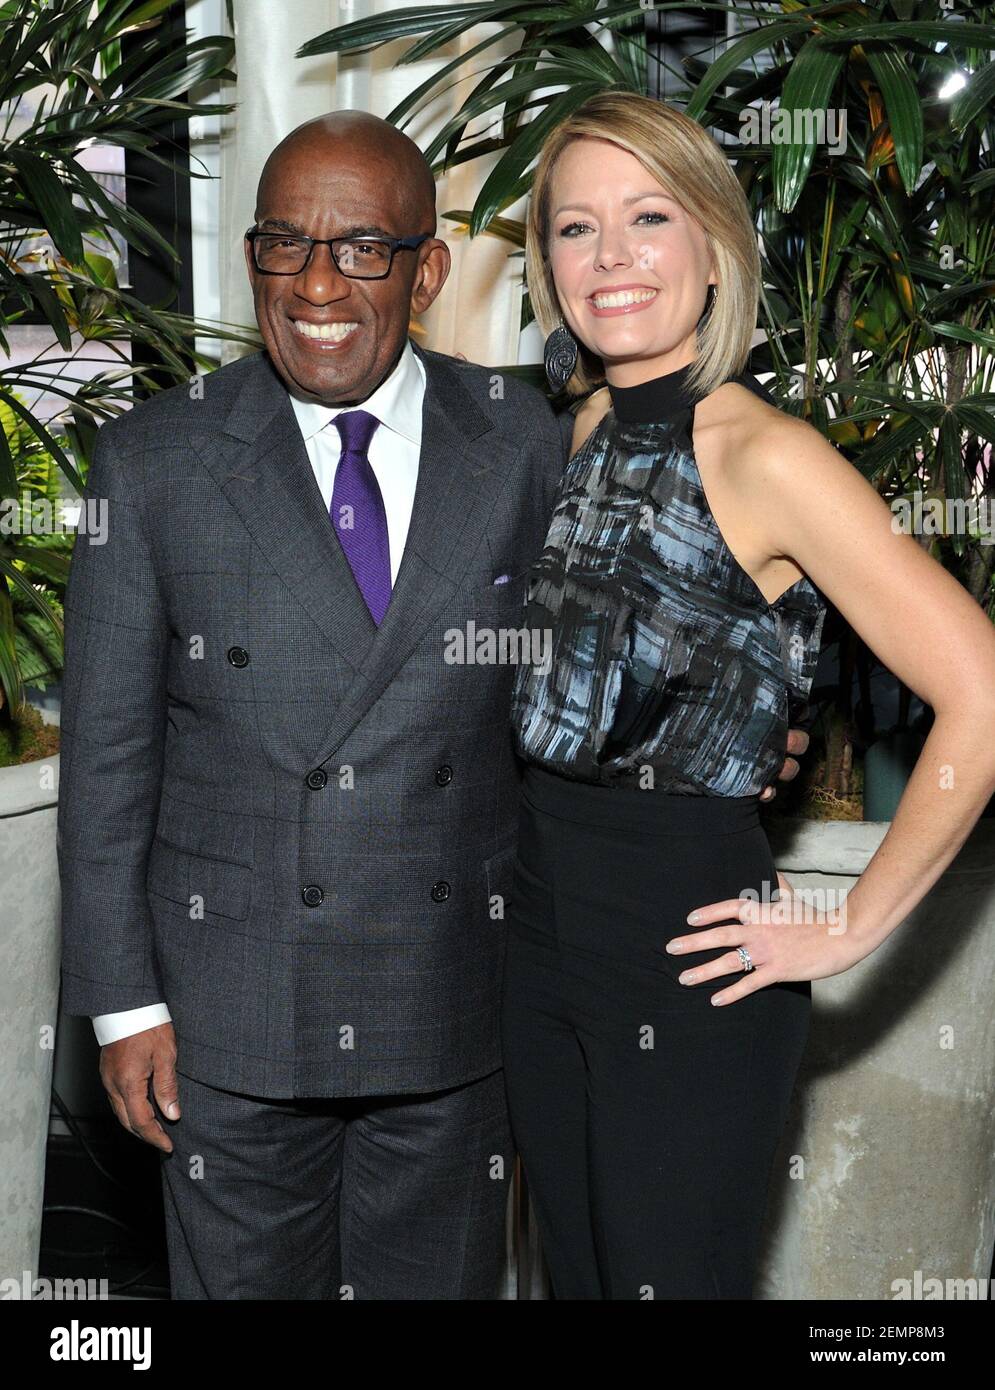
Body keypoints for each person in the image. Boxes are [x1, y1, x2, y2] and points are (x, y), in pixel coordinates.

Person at [57, 109, 806, 1301]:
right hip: (228, 1023)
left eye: (361, 249)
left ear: (427, 270)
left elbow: (616, 635)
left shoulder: (525, 438)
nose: (315, 283)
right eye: (282, 245)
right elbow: (103, 768)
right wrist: (121, 1007)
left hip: (459, 1011)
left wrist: (734, 719)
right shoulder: (153, 462)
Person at [500, 90, 995, 1301]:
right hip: (531, 926)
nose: (609, 257)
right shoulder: (566, 435)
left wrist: (849, 923)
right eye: (574, 228)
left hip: (686, 946)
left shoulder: (764, 454)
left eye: (647, 217)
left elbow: (979, 691)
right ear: (545, 262)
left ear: (714, 252)